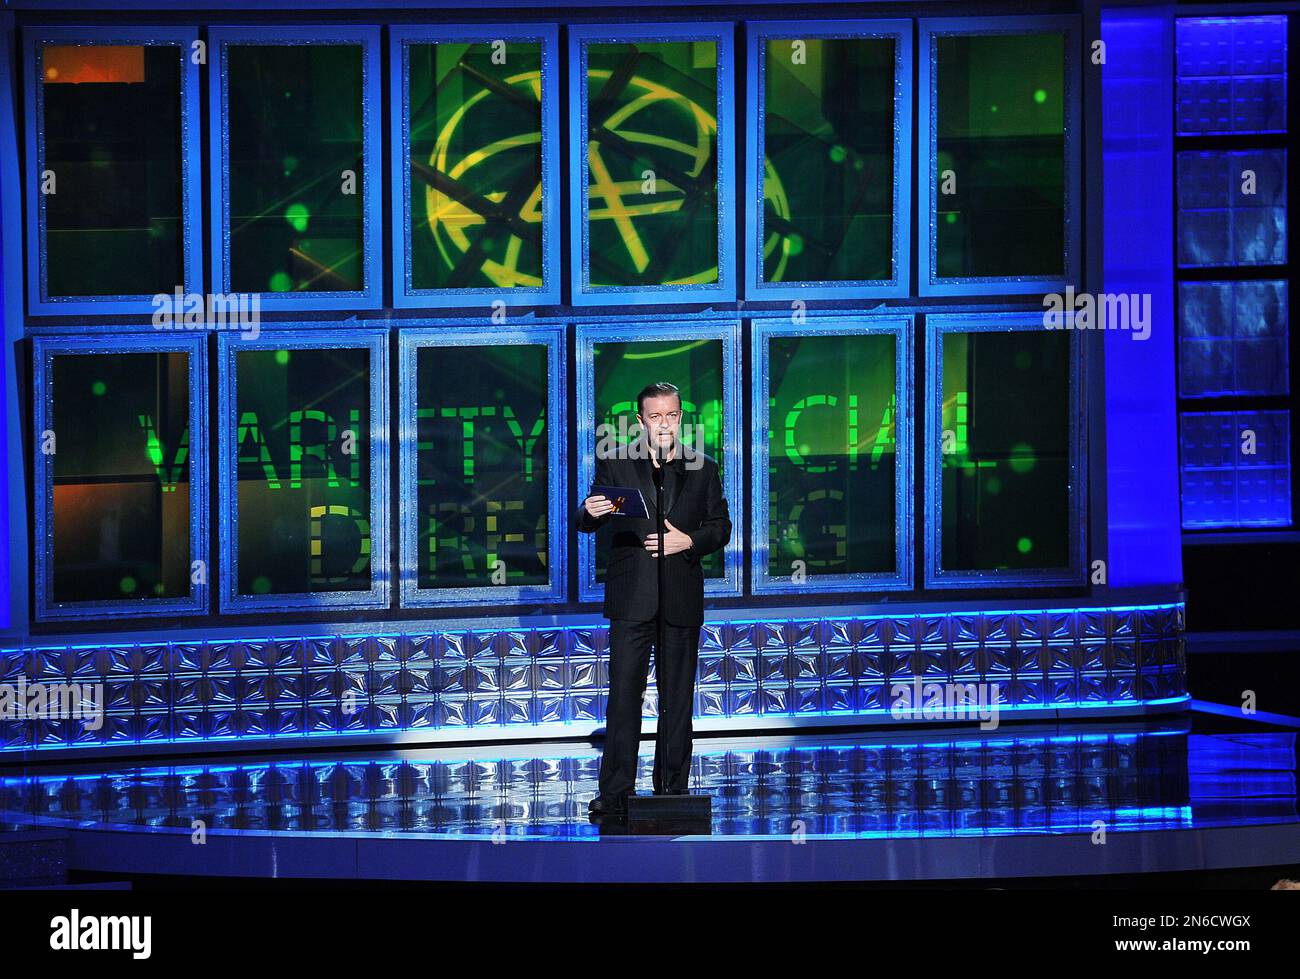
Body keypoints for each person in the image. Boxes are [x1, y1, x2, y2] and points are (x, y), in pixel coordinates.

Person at [575, 381, 732, 816]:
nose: (664, 424)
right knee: (624, 695)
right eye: (656, 416)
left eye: (672, 416)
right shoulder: (616, 464)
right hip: (632, 599)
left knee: (677, 698)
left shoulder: (703, 467)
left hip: (680, 596)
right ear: (641, 420)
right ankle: (616, 794)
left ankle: (672, 790)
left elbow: (721, 527)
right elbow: (586, 519)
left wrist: (690, 541)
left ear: (681, 418)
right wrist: (589, 512)